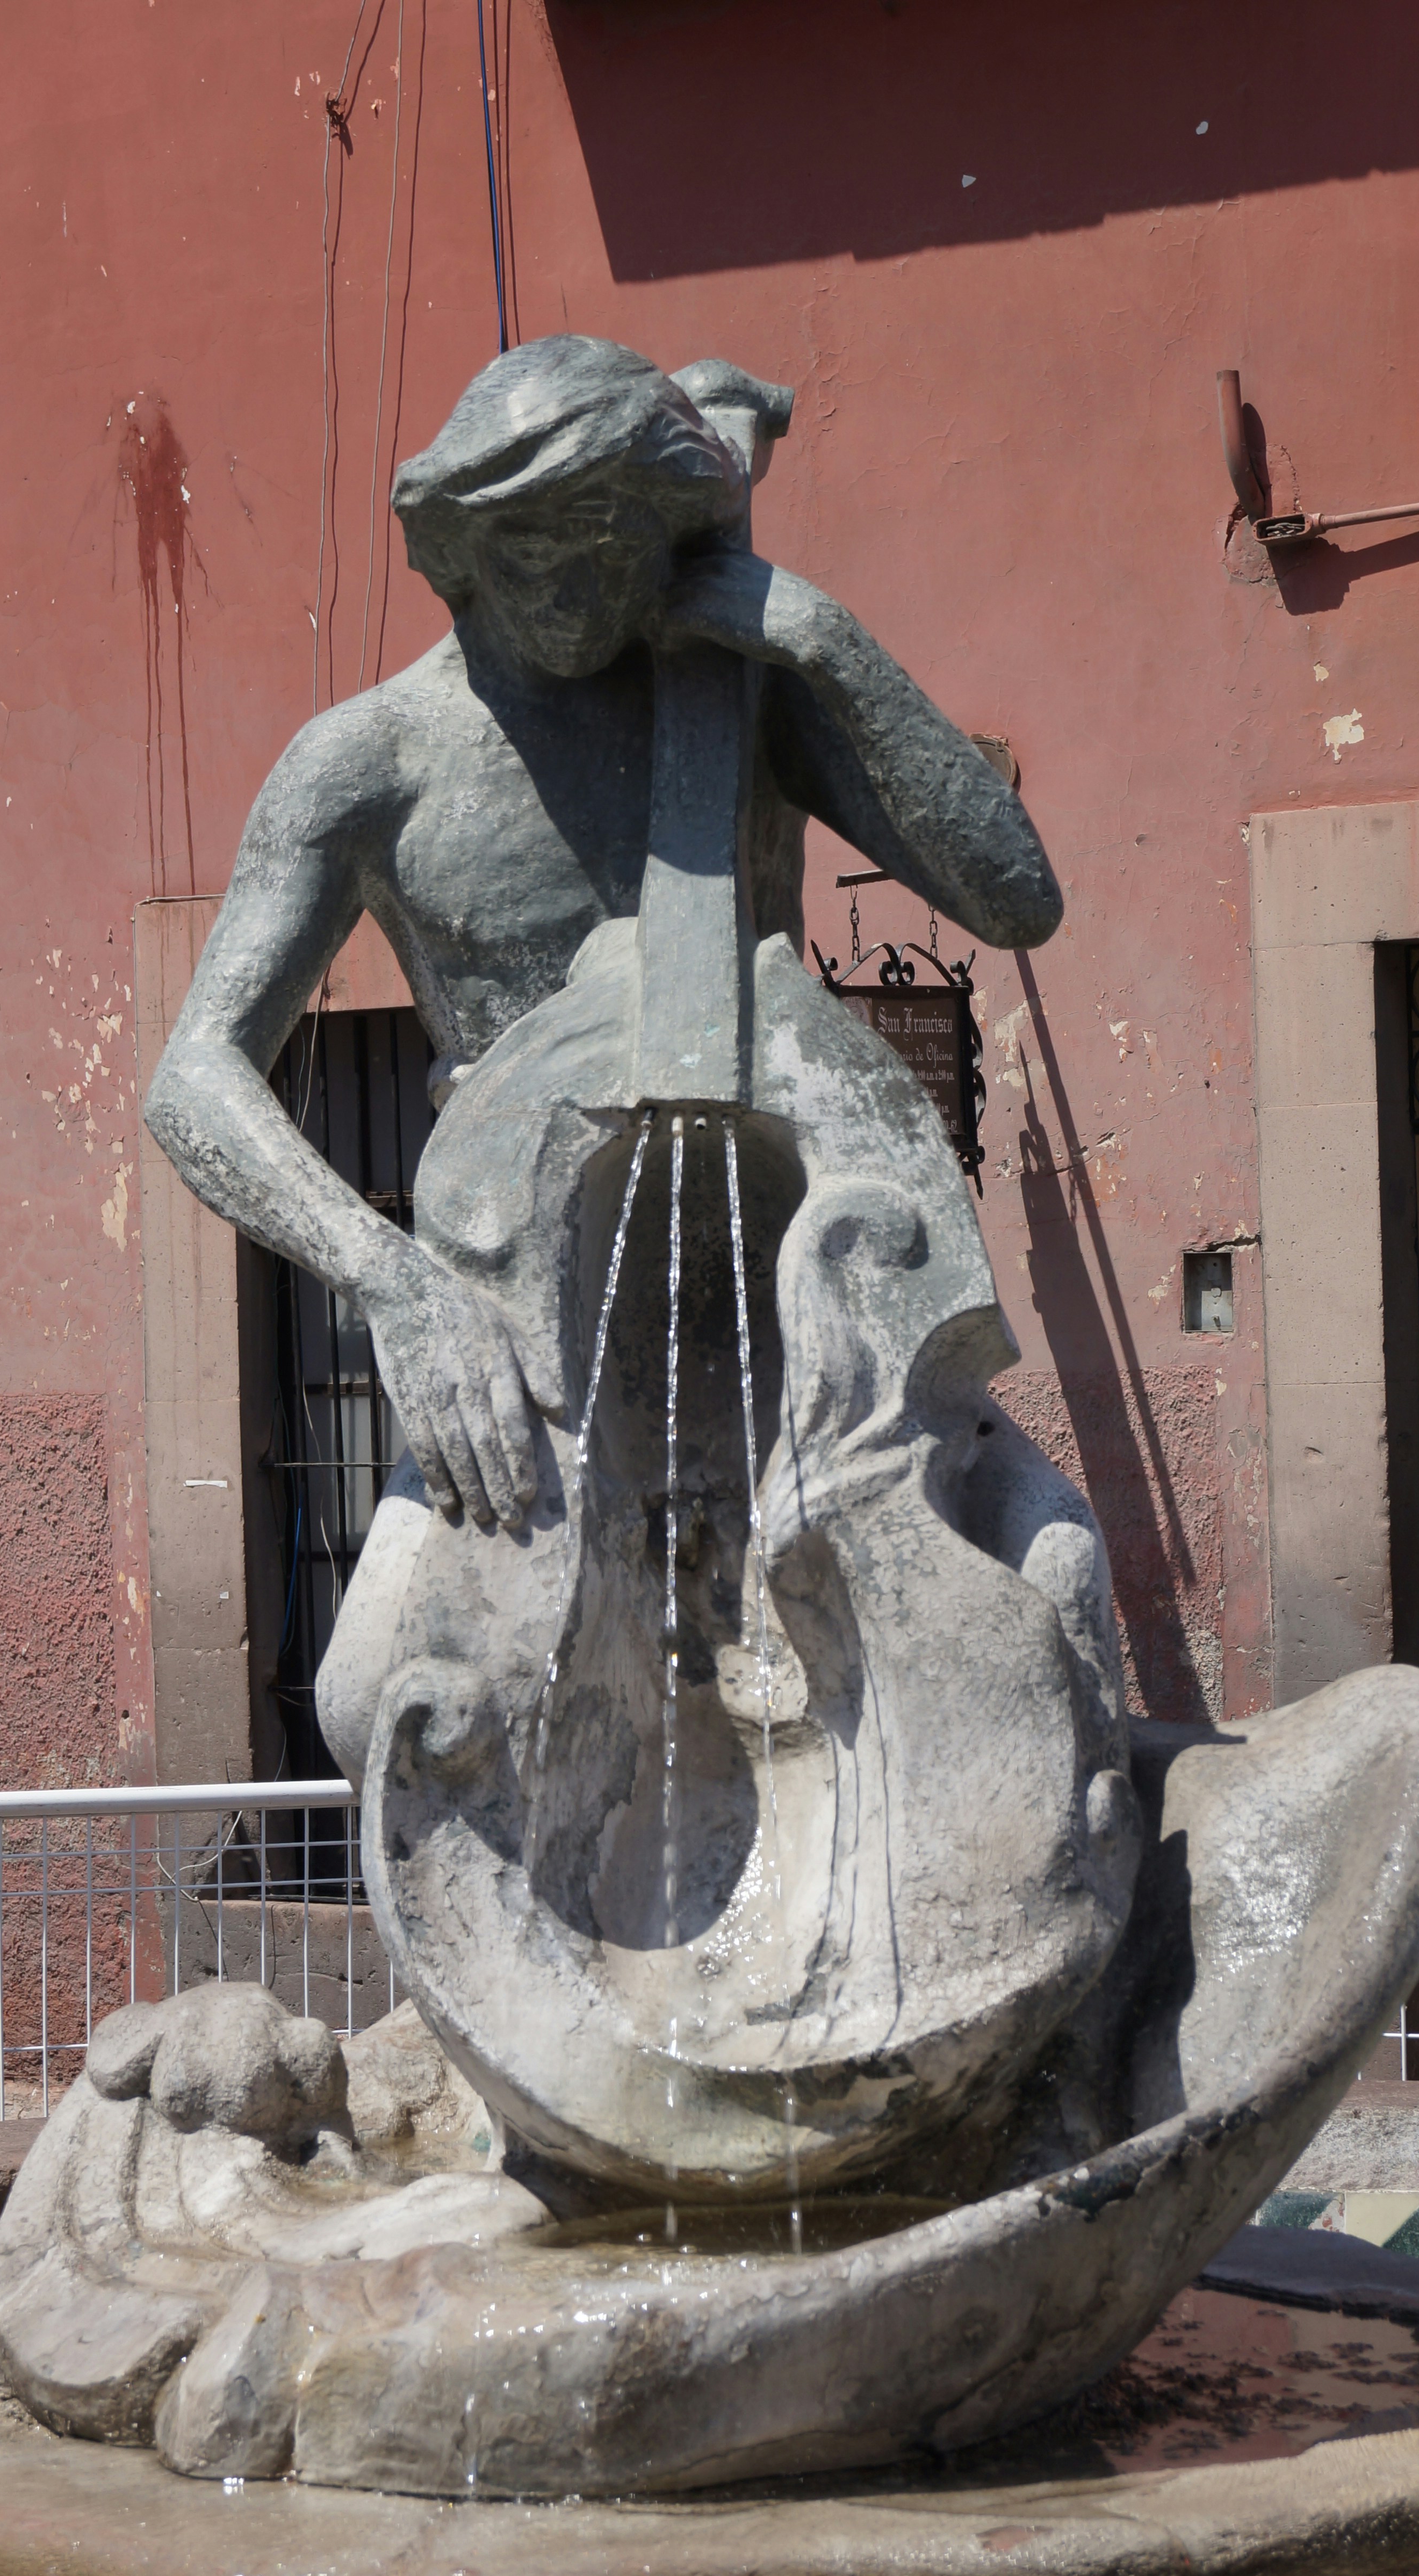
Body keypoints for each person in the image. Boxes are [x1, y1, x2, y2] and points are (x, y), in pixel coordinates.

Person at [145, 335, 1064, 1770]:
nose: (584, 586)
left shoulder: (751, 695)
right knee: (377, 1693)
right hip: (527, 1328)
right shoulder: (369, 763)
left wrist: (826, 642)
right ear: (459, 546)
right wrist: (392, 1283)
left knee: (1056, 1580)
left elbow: (1017, 901)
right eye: (539, 547)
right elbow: (194, 1075)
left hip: (799, 1301)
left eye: (619, 543)